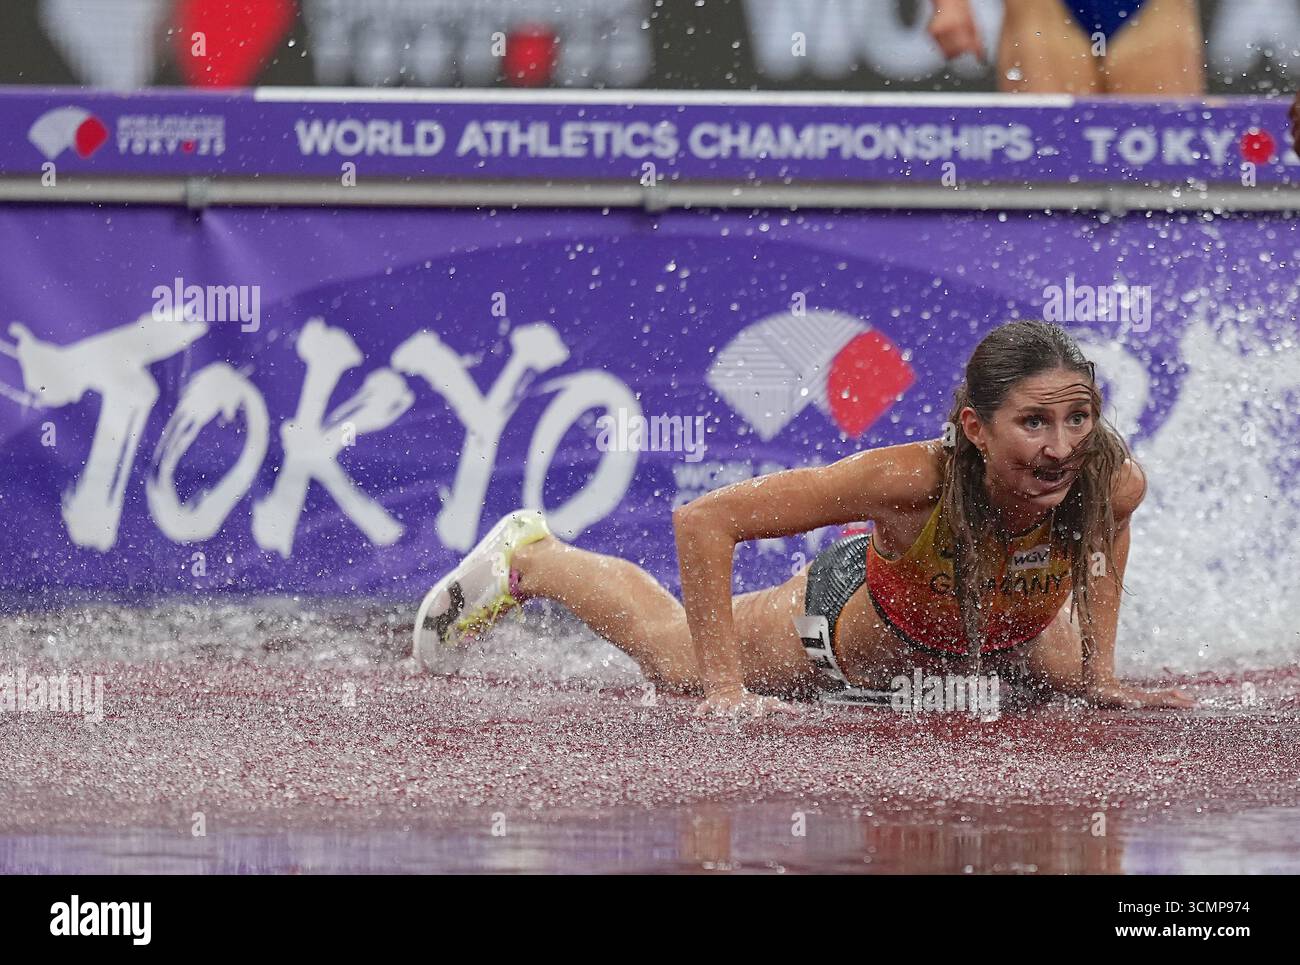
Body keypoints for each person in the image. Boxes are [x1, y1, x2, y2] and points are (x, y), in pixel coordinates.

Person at [412, 320, 1195, 718]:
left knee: (1064, 688)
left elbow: (1104, 541)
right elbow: (703, 520)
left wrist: (1101, 672)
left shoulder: (1110, 481)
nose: (1062, 447)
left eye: (1078, 418)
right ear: (976, 426)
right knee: (676, 663)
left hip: (1002, 636)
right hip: (851, 621)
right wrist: (726, 689)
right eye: (1034, 424)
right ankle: (537, 555)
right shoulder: (906, 480)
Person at [928, 0, 1204, 95]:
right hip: (1043, 11)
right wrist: (950, 5)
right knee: (1046, 169)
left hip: (1155, 10)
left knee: (1165, 178)